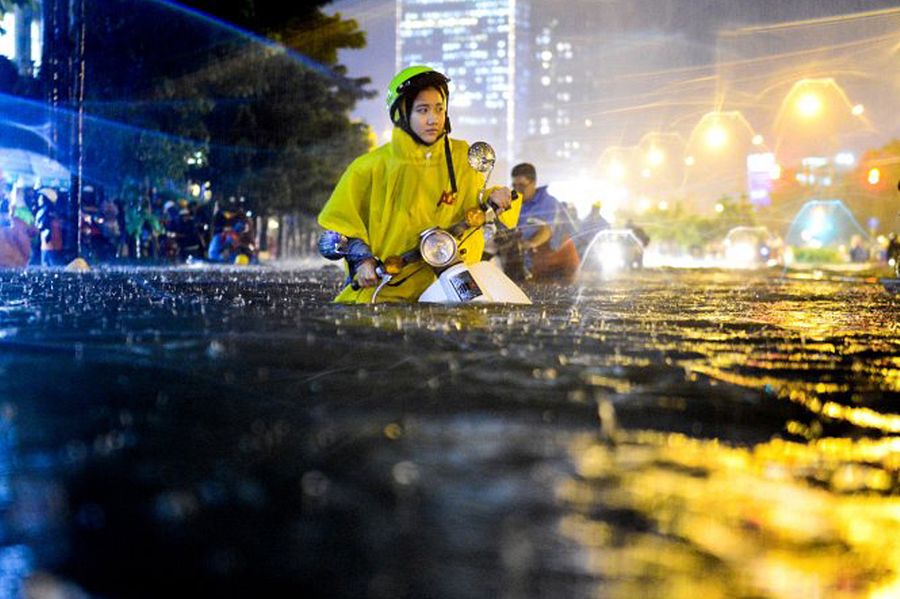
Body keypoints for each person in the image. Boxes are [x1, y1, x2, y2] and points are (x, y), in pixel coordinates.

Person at [317, 65, 520, 303]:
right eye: (423, 110)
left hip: (453, 276)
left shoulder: (461, 157)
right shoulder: (368, 168)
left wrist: (499, 196)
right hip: (389, 289)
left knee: (483, 315)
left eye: (439, 109)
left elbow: (478, 196)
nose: (433, 119)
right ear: (401, 113)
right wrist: (362, 261)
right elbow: (342, 225)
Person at [510, 162, 579, 282]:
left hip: (557, 267)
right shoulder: (515, 204)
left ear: (533, 183)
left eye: (521, 185)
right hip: (533, 266)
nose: (517, 190)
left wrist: (530, 244)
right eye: (514, 185)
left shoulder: (548, 204)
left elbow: (546, 230)